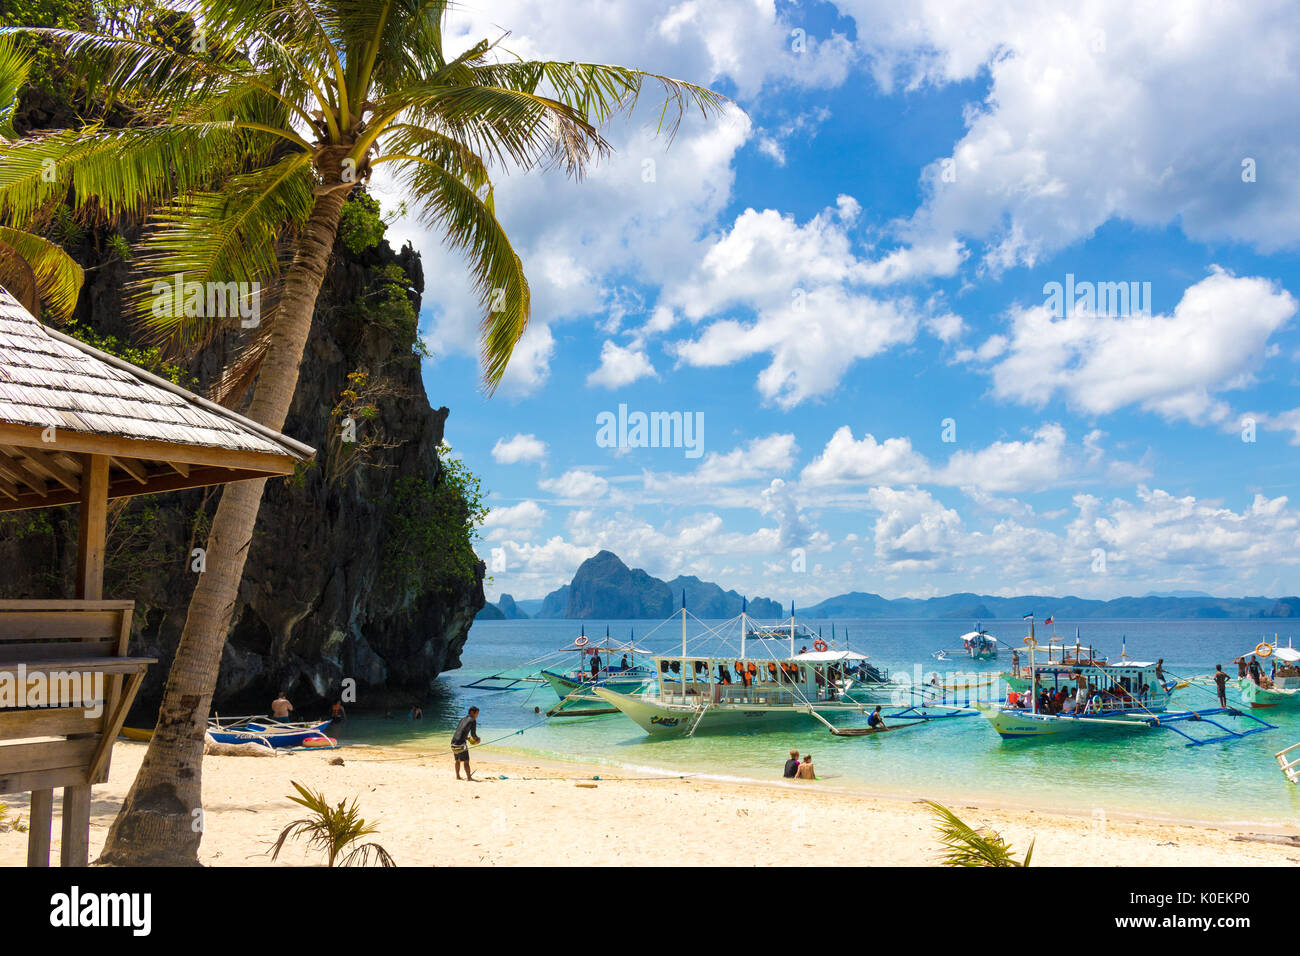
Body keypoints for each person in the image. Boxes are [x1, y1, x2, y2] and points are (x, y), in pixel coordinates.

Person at [451, 706, 481, 781]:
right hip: (461, 743)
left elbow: (460, 731)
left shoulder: (462, 719)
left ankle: (457, 776)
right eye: (477, 713)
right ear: (471, 712)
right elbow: (473, 734)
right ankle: (469, 777)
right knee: (466, 761)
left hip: (453, 742)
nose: (477, 715)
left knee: (457, 760)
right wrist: (477, 740)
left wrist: (467, 738)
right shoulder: (472, 720)